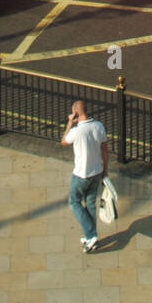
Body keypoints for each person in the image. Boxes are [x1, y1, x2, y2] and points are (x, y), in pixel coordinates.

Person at [61, 99, 108, 254]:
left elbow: (63, 142)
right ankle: (90, 238)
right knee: (90, 204)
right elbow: (105, 149)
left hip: (81, 174)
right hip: (96, 172)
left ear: (75, 113)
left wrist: (69, 123)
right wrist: (105, 170)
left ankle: (91, 235)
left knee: (73, 202)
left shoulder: (76, 131)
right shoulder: (99, 126)